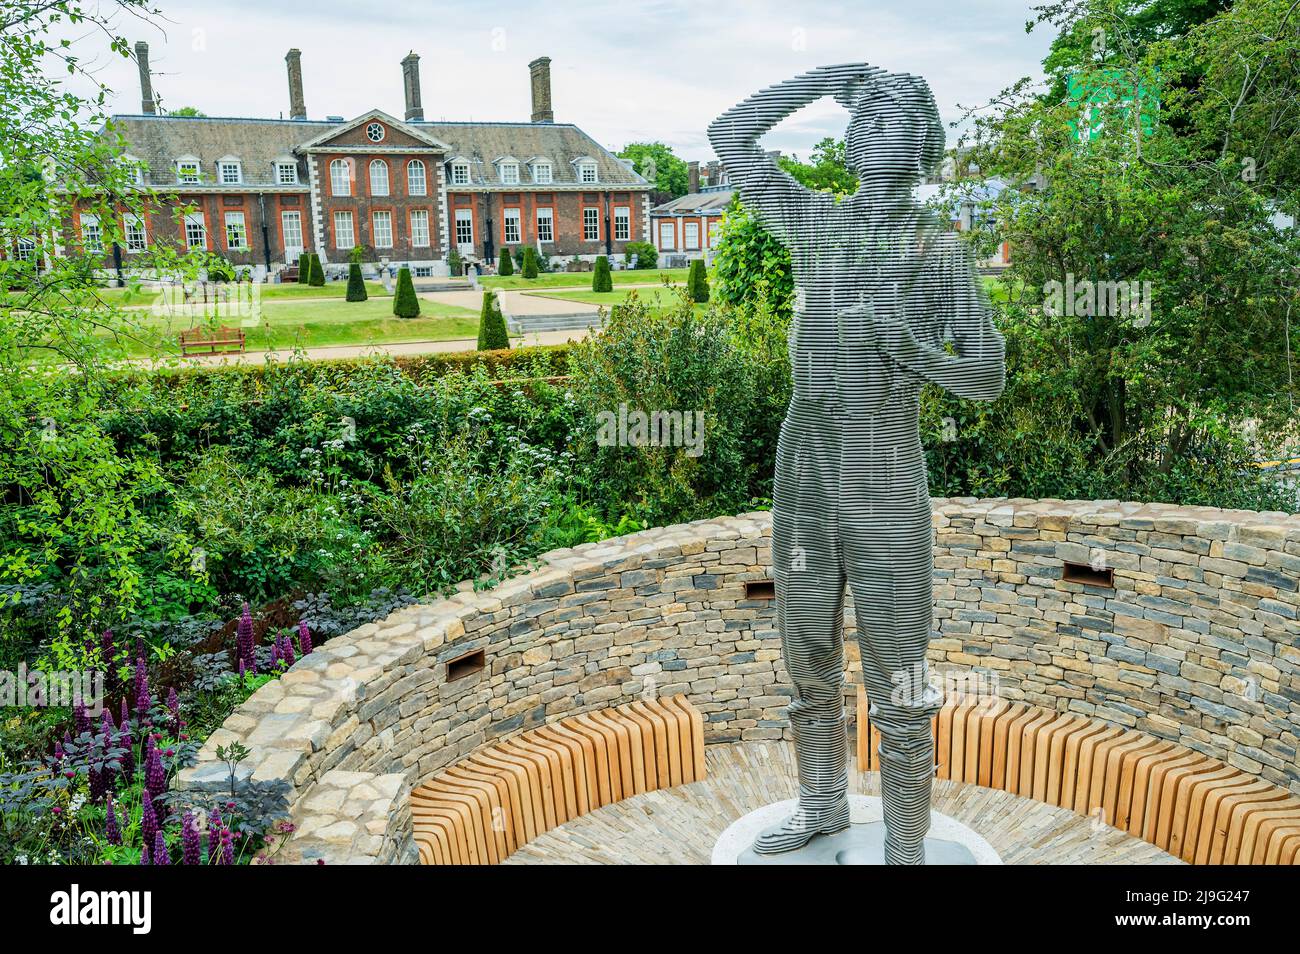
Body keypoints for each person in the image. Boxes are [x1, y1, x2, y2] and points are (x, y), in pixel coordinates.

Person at [708, 65, 1005, 863]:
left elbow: (988, 374)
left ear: (922, 140)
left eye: (892, 117)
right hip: (804, 474)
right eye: (862, 115)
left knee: (901, 687)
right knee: (807, 663)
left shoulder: (936, 248)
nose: (871, 128)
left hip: (885, 483)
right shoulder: (815, 224)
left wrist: (912, 349)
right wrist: (830, 77)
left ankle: (906, 848)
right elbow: (728, 135)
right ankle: (822, 806)